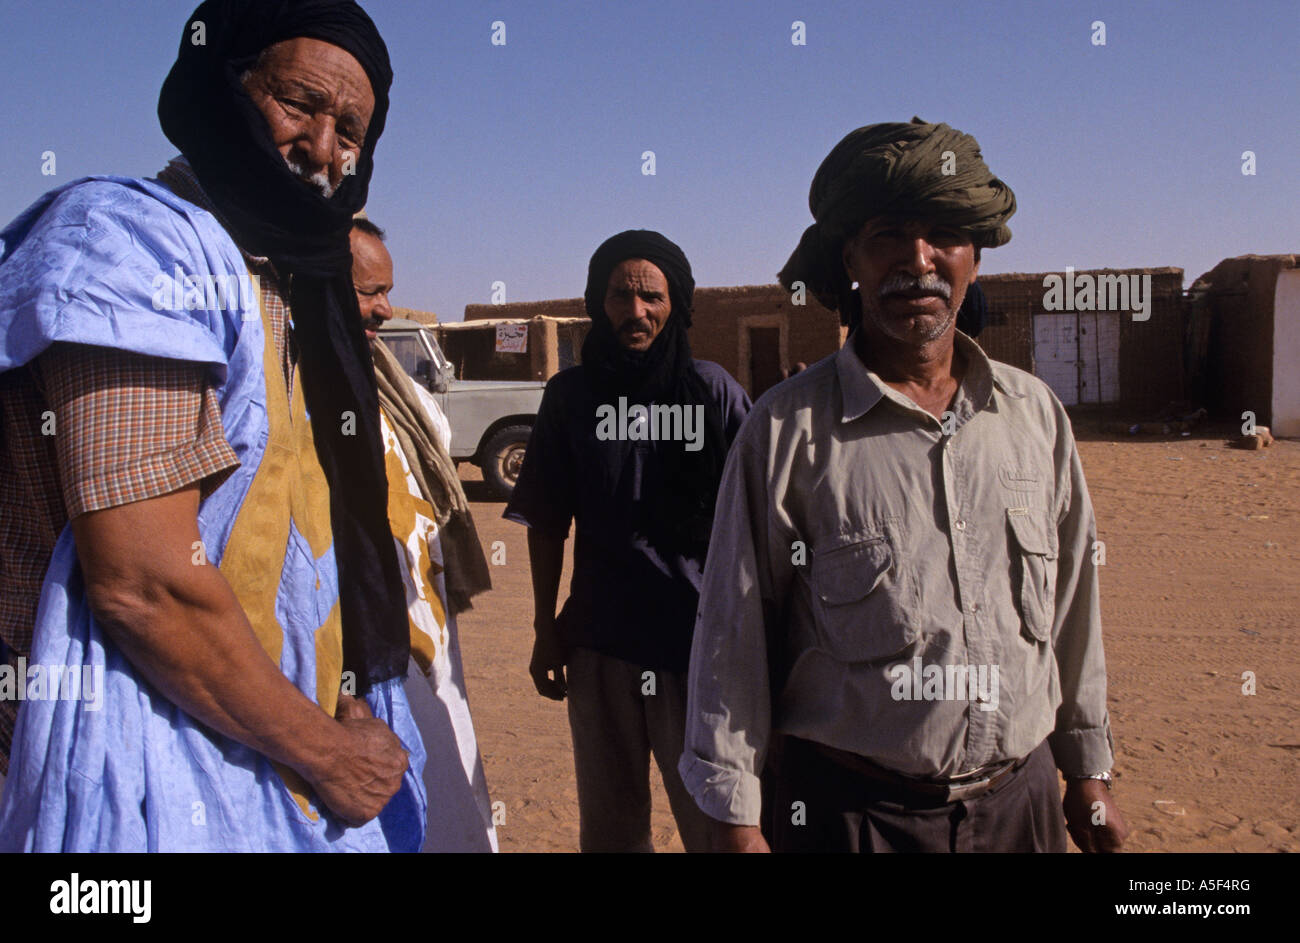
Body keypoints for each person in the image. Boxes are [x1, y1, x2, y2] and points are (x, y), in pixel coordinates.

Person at [0, 0, 425, 851]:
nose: (324, 149)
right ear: (223, 86)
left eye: (351, 128)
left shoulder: (292, 287)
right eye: (299, 103)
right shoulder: (129, 249)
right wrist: (331, 758)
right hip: (139, 785)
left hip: (266, 774)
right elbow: (146, 586)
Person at [679, 118, 1128, 853]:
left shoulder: (1033, 416)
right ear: (850, 258)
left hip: (1023, 807)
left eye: (943, 234)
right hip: (854, 819)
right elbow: (733, 634)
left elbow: (1076, 605)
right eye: (888, 235)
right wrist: (736, 821)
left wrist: (1087, 773)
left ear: (974, 258)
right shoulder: (786, 430)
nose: (917, 260)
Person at [504, 230, 751, 852]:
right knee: (612, 830)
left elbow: (759, 523)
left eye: (651, 296)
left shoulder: (713, 392)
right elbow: (548, 520)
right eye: (620, 295)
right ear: (597, 302)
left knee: (713, 823)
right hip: (600, 645)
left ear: (677, 304)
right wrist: (543, 626)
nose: (635, 311)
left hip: (694, 652)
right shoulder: (571, 398)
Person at [349, 217, 498, 852]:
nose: (384, 308)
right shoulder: (288, 389)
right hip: (362, 652)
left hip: (430, 627)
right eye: (369, 292)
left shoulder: (394, 385)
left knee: (449, 780)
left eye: (387, 291)